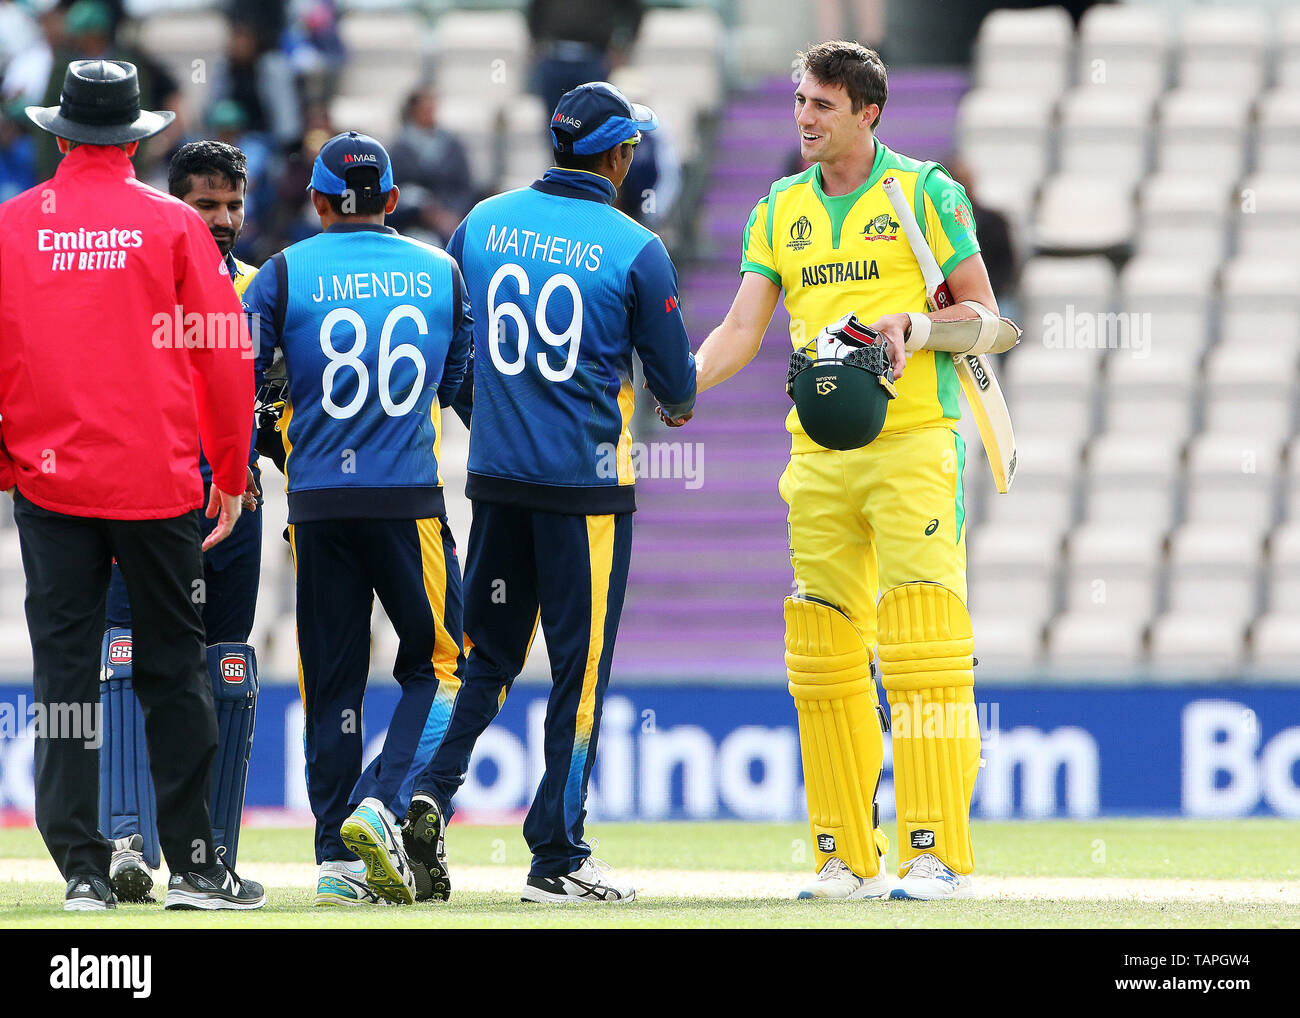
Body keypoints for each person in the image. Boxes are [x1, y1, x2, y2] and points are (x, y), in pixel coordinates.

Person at [687, 41, 997, 901]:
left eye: (823, 104)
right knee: (821, 651)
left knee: (923, 647)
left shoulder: (924, 194)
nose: (804, 118)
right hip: (818, 455)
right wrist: (679, 383)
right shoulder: (778, 207)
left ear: (868, 112)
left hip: (913, 447)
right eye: (799, 101)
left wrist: (916, 325)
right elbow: (744, 332)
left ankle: (936, 854)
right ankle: (843, 856)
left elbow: (988, 322)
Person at [408, 82, 696, 904]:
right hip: (587, 495)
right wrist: (673, 401)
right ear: (619, 155)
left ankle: (430, 791)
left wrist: (488, 415)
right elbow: (677, 389)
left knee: (486, 659)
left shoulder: (482, 224)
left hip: (496, 483)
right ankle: (557, 857)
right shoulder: (635, 247)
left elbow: (449, 355)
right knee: (580, 672)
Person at [0, 59, 263, 910]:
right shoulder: (174, 227)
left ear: (60, 133)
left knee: (67, 679)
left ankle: (82, 870)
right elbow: (224, 357)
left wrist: (8, 462)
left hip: (50, 488)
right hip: (156, 487)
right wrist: (228, 469)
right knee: (173, 671)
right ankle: (193, 864)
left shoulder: (10, 228)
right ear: (138, 138)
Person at [244, 130, 472, 906]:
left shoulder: (281, 273)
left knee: (332, 682)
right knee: (441, 665)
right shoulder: (441, 271)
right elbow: (453, 386)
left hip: (316, 509)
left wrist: (269, 441)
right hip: (406, 502)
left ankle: (336, 853)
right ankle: (382, 802)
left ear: (314, 201)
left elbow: (236, 380)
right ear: (393, 201)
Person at [98, 140, 266, 904]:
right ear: (174, 206)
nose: (224, 220)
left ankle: (211, 854)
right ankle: (125, 843)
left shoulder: (262, 290)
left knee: (224, 670)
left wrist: (266, 468)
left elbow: (277, 405)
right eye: (207, 205)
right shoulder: (132, 285)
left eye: (233, 204)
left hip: (234, 513)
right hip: (144, 504)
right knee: (128, 665)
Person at [387, 86, 476, 246]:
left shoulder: (452, 145)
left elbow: (465, 186)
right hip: (412, 222)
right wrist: (422, 210)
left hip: (450, 217)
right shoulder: (399, 149)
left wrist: (450, 213)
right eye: (425, 109)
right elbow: (395, 187)